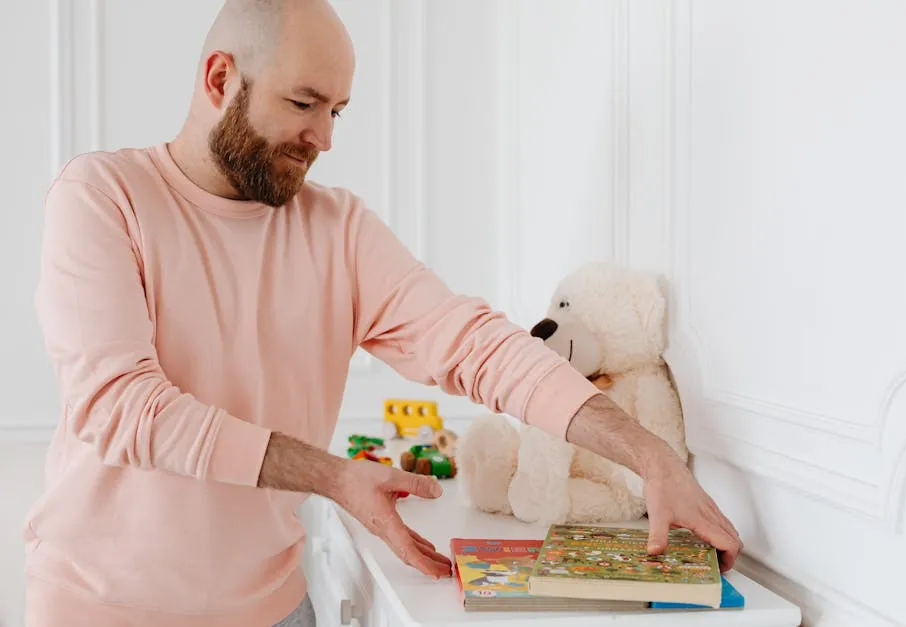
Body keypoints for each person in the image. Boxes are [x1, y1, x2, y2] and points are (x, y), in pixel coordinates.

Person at [23, 0, 742, 625]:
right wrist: (335, 477)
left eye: (335, 112)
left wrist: (646, 452)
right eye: (303, 104)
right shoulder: (102, 197)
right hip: (99, 610)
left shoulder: (338, 228)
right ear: (220, 80)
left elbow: (474, 344)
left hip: (273, 611)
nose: (325, 138)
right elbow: (120, 405)